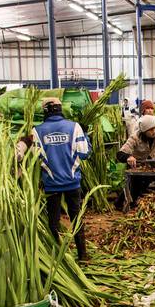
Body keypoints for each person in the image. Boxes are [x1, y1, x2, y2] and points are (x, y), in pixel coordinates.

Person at [33, 99, 91, 259]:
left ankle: (58, 257)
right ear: (60, 109)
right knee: (76, 218)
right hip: (72, 183)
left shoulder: (37, 131)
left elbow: (35, 158)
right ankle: (83, 255)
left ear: (45, 111)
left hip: (51, 185)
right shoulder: (74, 127)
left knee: (53, 221)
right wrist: (86, 136)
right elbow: (85, 154)